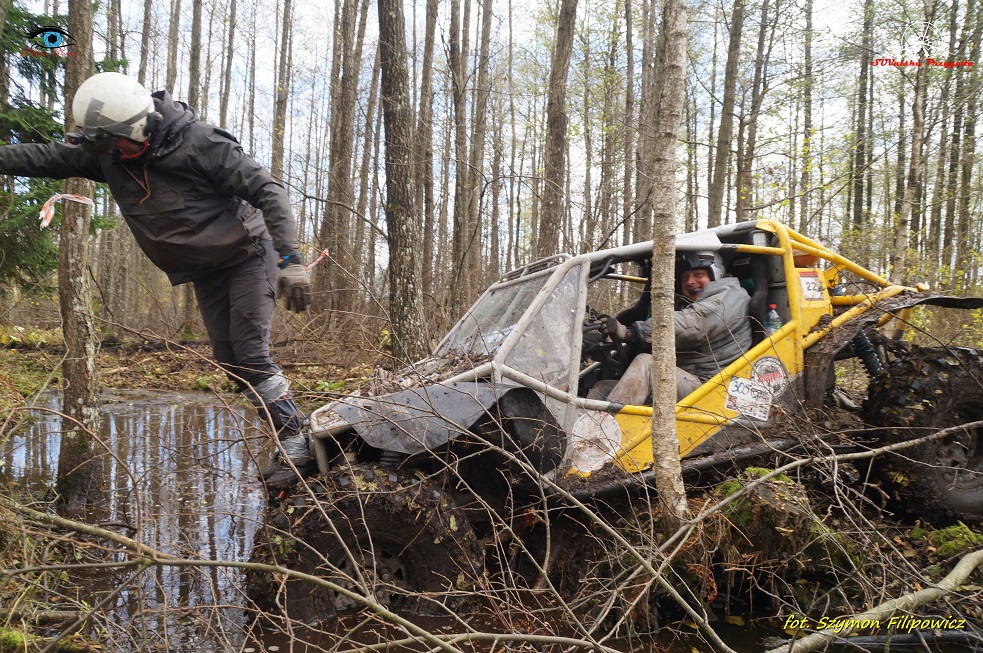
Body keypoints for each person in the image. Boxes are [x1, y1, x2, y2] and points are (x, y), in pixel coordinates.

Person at [0, 72, 313, 489]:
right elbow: (42, 157)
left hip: (248, 255)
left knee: (251, 353)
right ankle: (289, 430)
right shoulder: (108, 152)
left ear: (138, 128)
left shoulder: (203, 144)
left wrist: (291, 259)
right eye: (104, 147)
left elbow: (267, 190)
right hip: (205, 270)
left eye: (116, 144)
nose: (112, 153)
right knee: (232, 363)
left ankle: (297, 440)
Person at [601, 251, 752, 404]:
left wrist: (632, 332)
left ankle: (607, 427)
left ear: (716, 274)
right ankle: (585, 426)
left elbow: (693, 325)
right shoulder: (688, 304)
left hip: (712, 388)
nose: (690, 282)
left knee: (648, 365)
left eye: (698, 275)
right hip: (689, 380)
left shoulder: (730, 295)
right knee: (603, 388)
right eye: (685, 277)